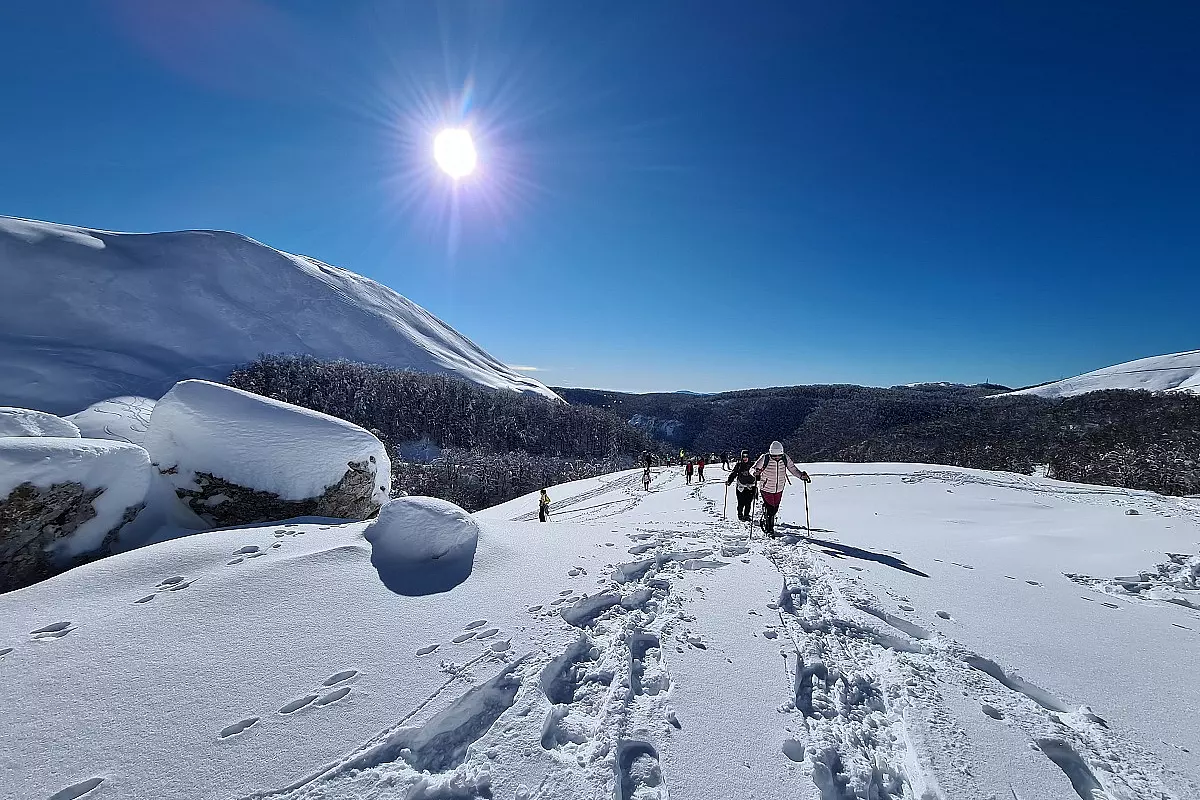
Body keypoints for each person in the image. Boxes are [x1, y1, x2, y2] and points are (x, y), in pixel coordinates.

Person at [752, 441, 810, 536]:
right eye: (774, 456)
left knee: (775, 508)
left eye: (779, 455)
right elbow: (753, 469)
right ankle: (769, 529)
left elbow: (793, 469)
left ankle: (767, 514)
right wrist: (756, 472)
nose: (777, 458)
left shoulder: (785, 458)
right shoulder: (765, 458)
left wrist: (801, 476)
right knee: (771, 509)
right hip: (766, 488)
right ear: (770, 453)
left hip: (779, 488)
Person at [725, 449, 757, 521]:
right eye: (743, 456)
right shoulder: (739, 465)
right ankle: (740, 514)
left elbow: (758, 474)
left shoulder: (753, 465)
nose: (745, 458)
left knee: (748, 503)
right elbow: (734, 473)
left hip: (751, 487)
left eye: (746, 456)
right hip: (741, 487)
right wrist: (729, 481)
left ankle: (746, 515)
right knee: (741, 502)